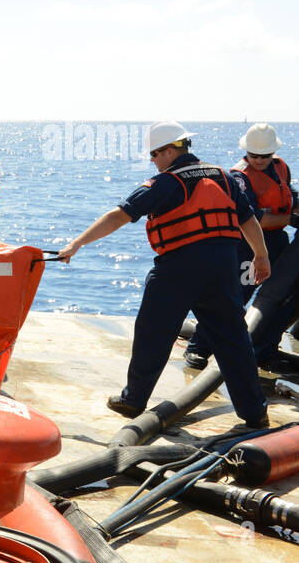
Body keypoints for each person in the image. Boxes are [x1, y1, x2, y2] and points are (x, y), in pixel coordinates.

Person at [58, 121, 270, 428]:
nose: (154, 162)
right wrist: (261, 256)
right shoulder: (223, 176)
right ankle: (255, 413)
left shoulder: (167, 183)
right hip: (223, 267)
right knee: (233, 340)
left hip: (180, 267)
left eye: (155, 155)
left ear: (170, 151)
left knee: (153, 332)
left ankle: (133, 400)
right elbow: (248, 220)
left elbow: (119, 215)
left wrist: (76, 243)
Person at [183, 123, 296, 372]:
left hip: (277, 242)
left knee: (284, 296)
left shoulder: (280, 167)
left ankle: (263, 348)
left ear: (272, 154)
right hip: (248, 243)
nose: (257, 160)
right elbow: (255, 217)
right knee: (233, 297)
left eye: (264, 156)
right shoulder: (239, 177)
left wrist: (294, 208)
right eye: (253, 155)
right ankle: (199, 346)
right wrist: (292, 219)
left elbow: (288, 195)